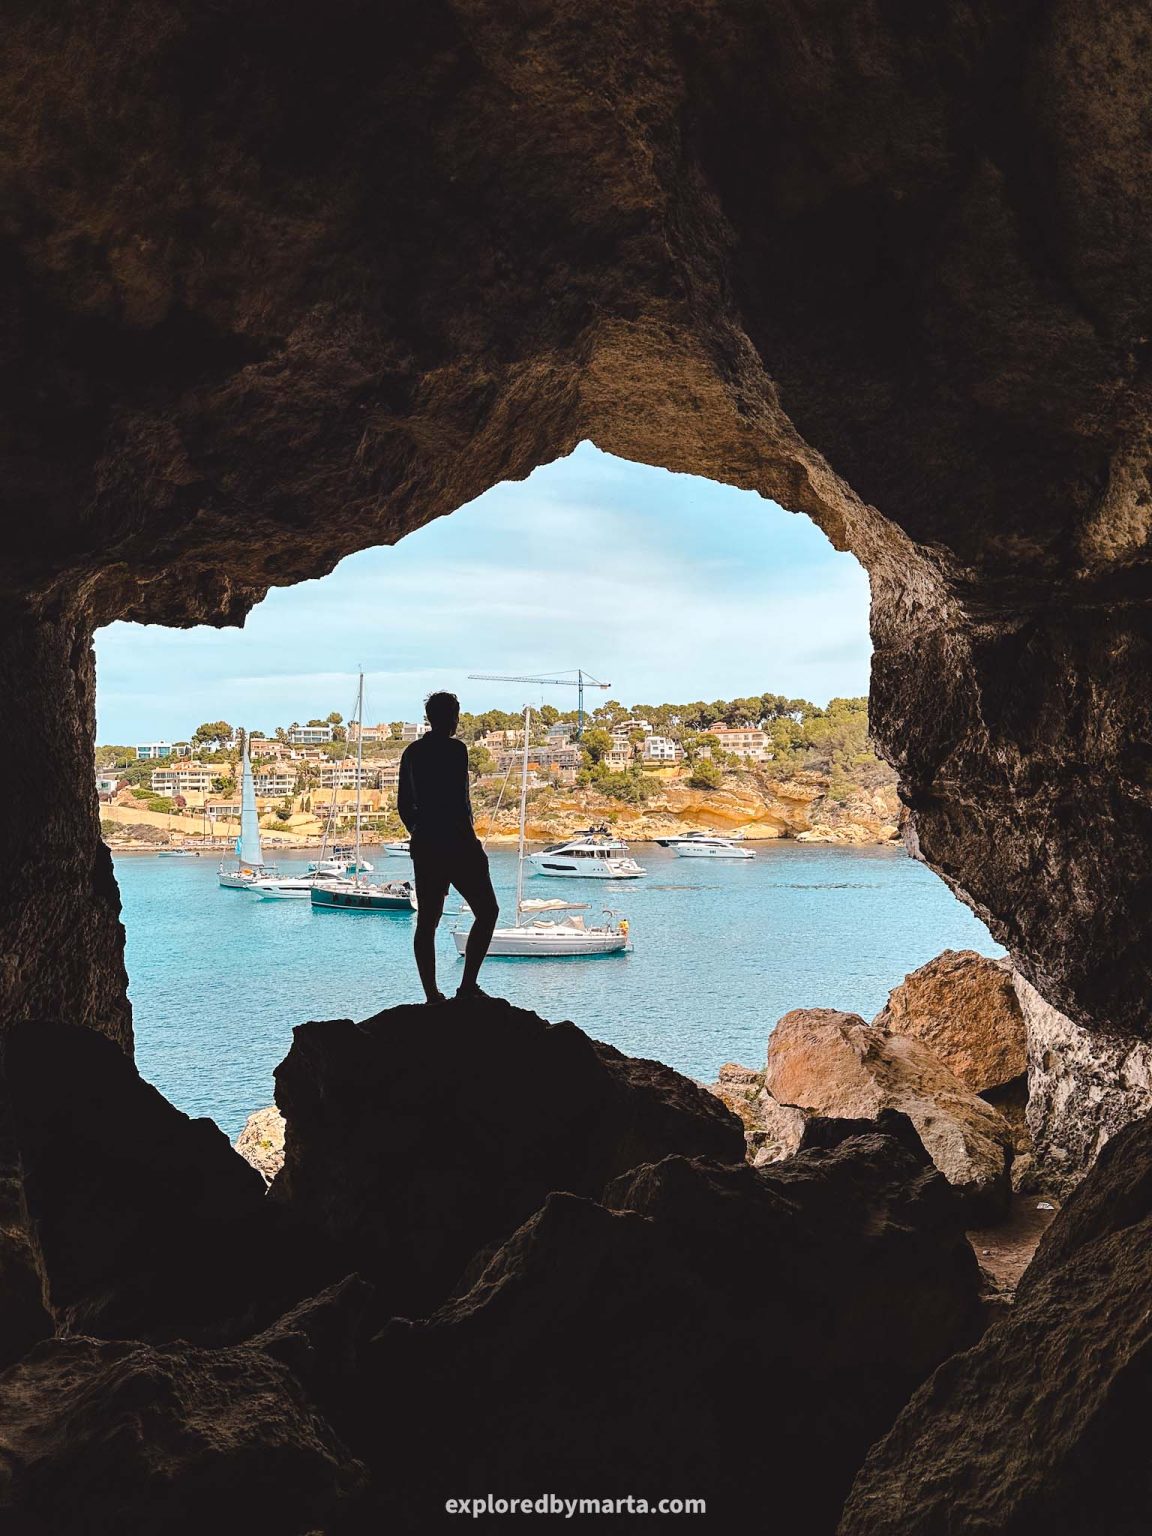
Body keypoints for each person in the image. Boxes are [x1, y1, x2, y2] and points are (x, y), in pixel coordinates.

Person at [397, 691, 500, 1003]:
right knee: (488, 911)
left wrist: (420, 830)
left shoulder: (411, 753)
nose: (457, 720)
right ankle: (467, 985)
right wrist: (471, 843)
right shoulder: (457, 751)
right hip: (457, 842)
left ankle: (432, 995)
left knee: (428, 921)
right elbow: (459, 802)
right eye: (456, 713)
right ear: (449, 717)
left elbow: (404, 805)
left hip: (426, 843)